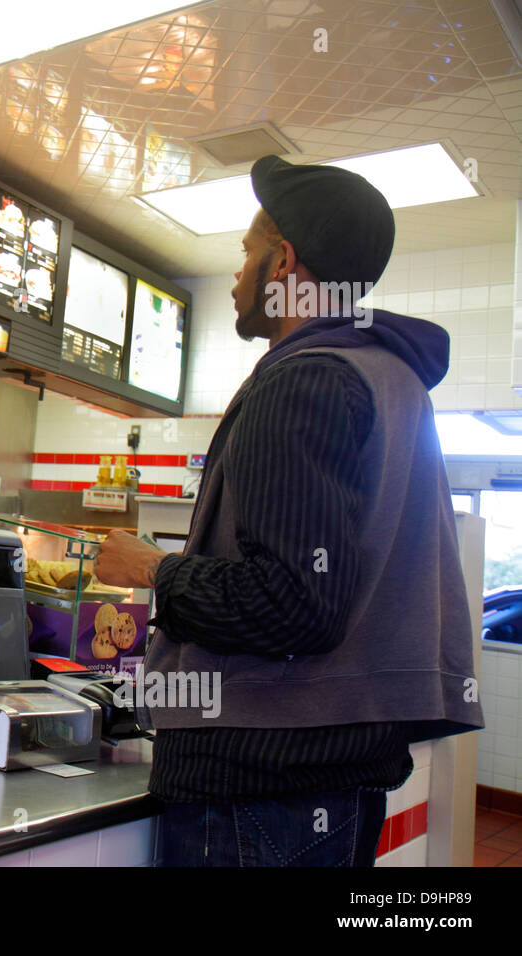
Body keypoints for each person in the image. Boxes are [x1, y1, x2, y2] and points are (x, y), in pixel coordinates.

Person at [95, 155, 484, 867]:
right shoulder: (395, 381)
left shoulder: (304, 380)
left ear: (286, 264)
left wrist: (156, 569)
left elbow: (294, 601)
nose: (239, 276)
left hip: (256, 788)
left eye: (247, 254)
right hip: (328, 783)